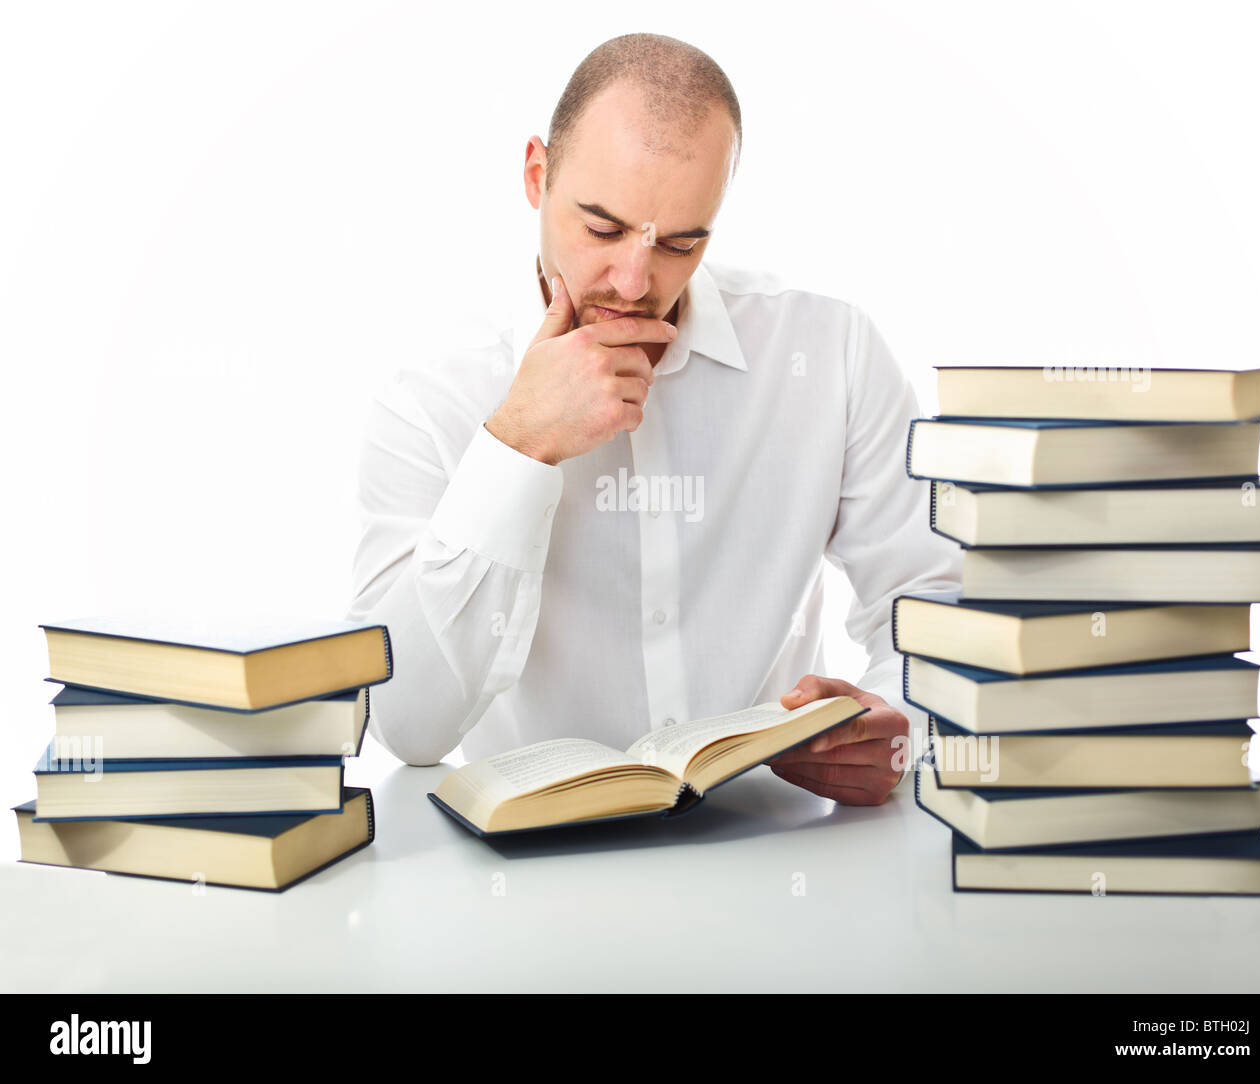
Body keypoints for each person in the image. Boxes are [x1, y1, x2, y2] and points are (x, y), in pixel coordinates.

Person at [345, 32, 962, 805]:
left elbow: (933, 602)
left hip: (775, 843)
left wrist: (901, 724)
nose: (635, 281)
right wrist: (518, 445)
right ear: (537, 175)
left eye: (679, 242)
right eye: (602, 229)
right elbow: (404, 724)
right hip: (533, 861)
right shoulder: (430, 400)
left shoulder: (829, 354)